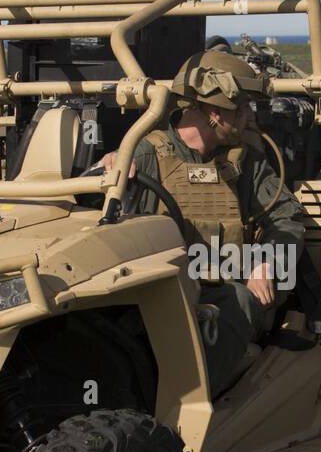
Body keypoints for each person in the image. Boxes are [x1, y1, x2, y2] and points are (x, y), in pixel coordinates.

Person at [103, 50, 306, 392]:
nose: (248, 118)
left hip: (220, 295)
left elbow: (286, 218)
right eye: (241, 109)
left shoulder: (245, 162)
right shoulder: (144, 154)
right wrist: (111, 170)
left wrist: (267, 264)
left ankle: (196, 404)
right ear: (214, 112)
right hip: (155, 299)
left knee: (239, 301)